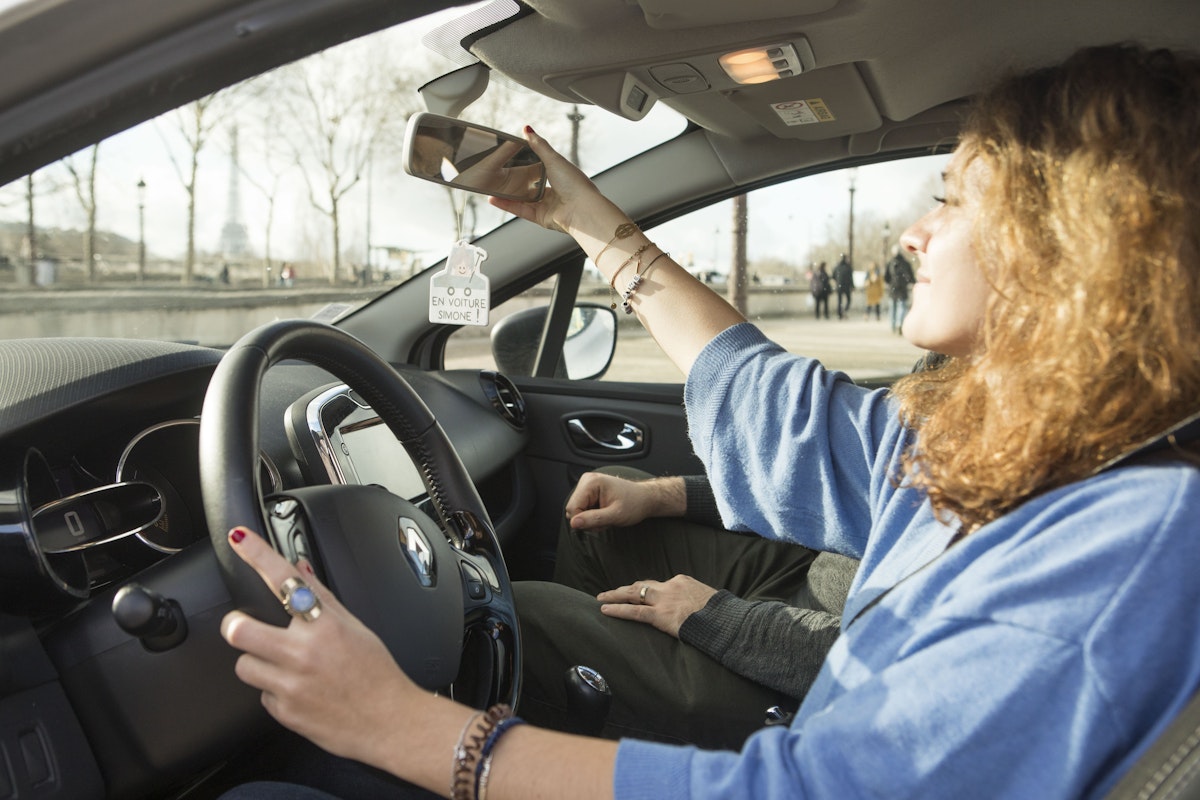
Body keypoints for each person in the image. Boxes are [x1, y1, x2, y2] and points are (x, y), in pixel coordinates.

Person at [218, 44, 1200, 800]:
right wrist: (586, 221)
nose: (914, 232)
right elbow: (789, 409)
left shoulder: (1135, 542)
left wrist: (404, 725)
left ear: (1075, 248)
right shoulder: (1031, 447)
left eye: (953, 200)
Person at [515, 467, 858, 749]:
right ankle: (586, 726)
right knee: (597, 523)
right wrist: (659, 497)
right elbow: (846, 491)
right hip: (811, 570)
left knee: (523, 617)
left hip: (828, 685)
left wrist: (717, 617)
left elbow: (891, 655)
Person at [884, 246, 915, 333]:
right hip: (902, 289)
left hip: (893, 288)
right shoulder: (906, 263)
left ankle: (893, 326)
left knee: (892, 308)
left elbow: (886, 278)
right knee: (902, 307)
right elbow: (911, 277)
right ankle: (899, 324)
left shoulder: (890, 263)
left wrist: (891, 282)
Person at [831, 252, 854, 318]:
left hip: (839, 286)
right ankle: (844, 310)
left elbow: (833, 276)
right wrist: (852, 286)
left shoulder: (837, 267)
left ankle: (840, 314)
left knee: (839, 301)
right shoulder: (848, 267)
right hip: (846, 286)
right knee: (849, 299)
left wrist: (838, 281)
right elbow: (851, 277)